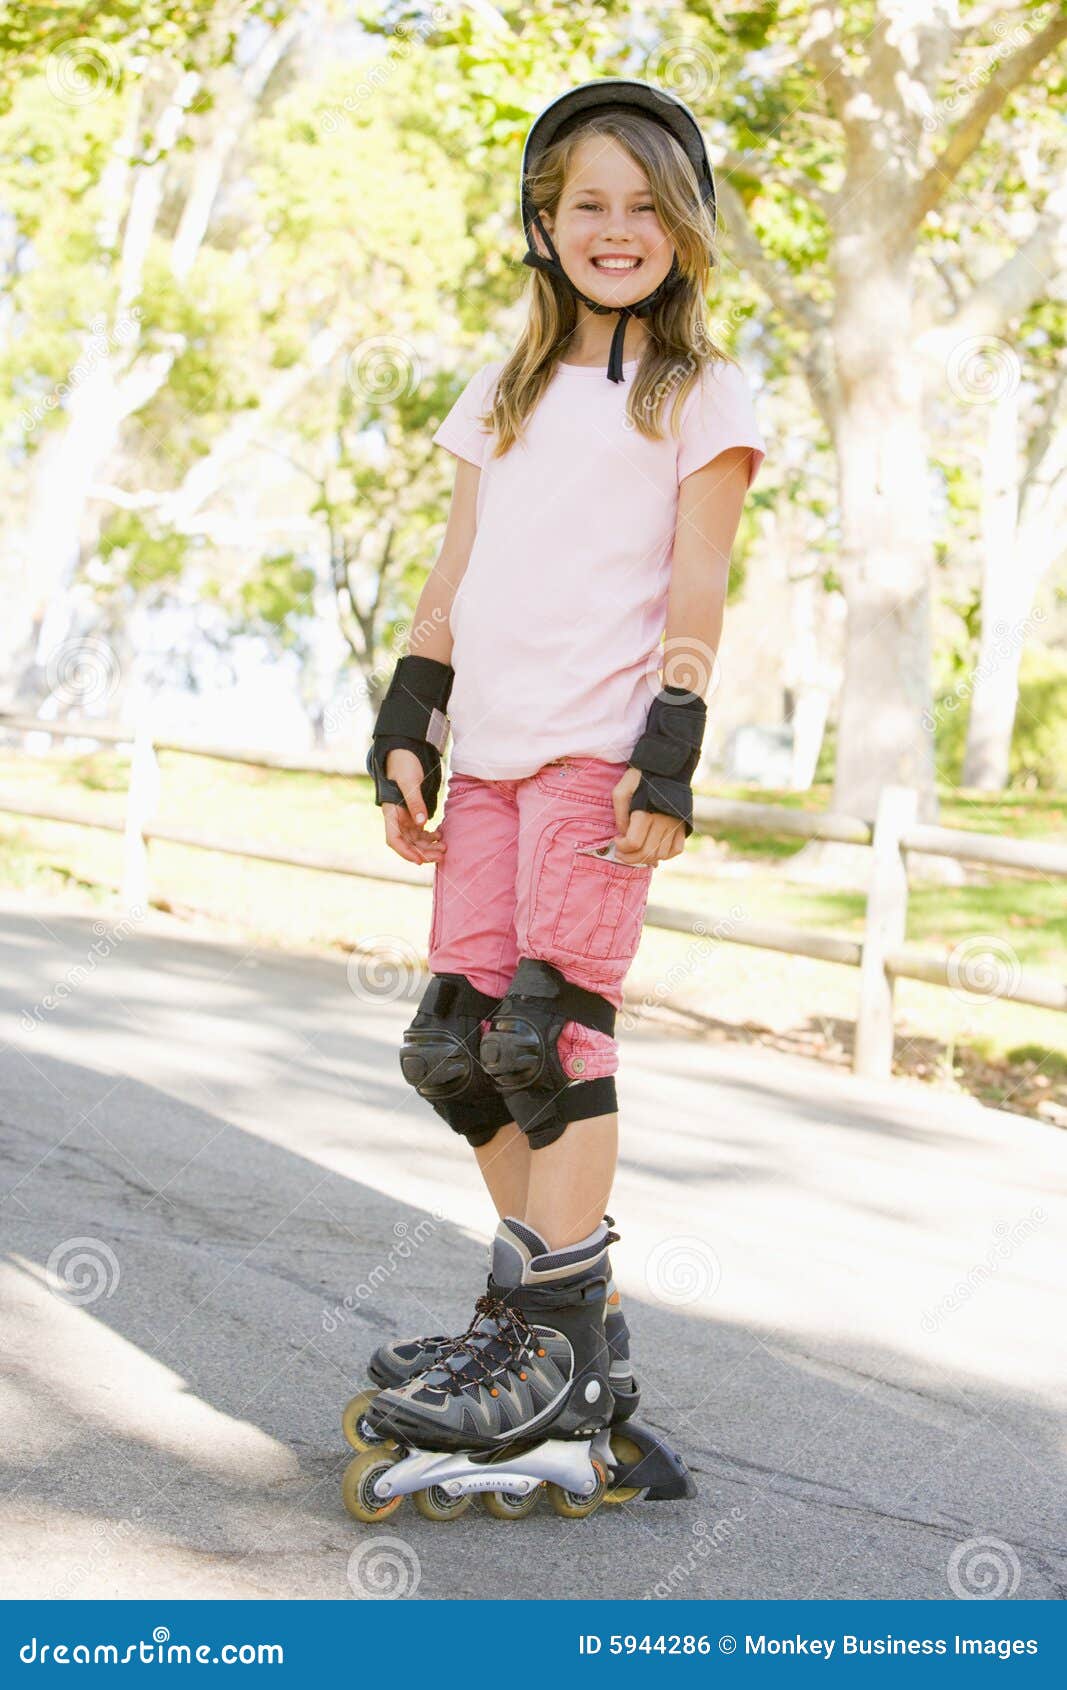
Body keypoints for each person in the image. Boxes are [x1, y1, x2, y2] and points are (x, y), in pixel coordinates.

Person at [354, 77, 766, 1507]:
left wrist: (676, 733)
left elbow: (700, 574)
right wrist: (413, 708)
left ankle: (551, 1349)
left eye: (647, 205)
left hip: (601, 747)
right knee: (460, 1044)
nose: (616, 227)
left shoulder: (698, 390)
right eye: (587, 201)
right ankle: (536, 1322)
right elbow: (457, 571)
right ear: (543, 218)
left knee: (553, 1031)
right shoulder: (503, 386)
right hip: (492, 755)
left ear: (684, 227)